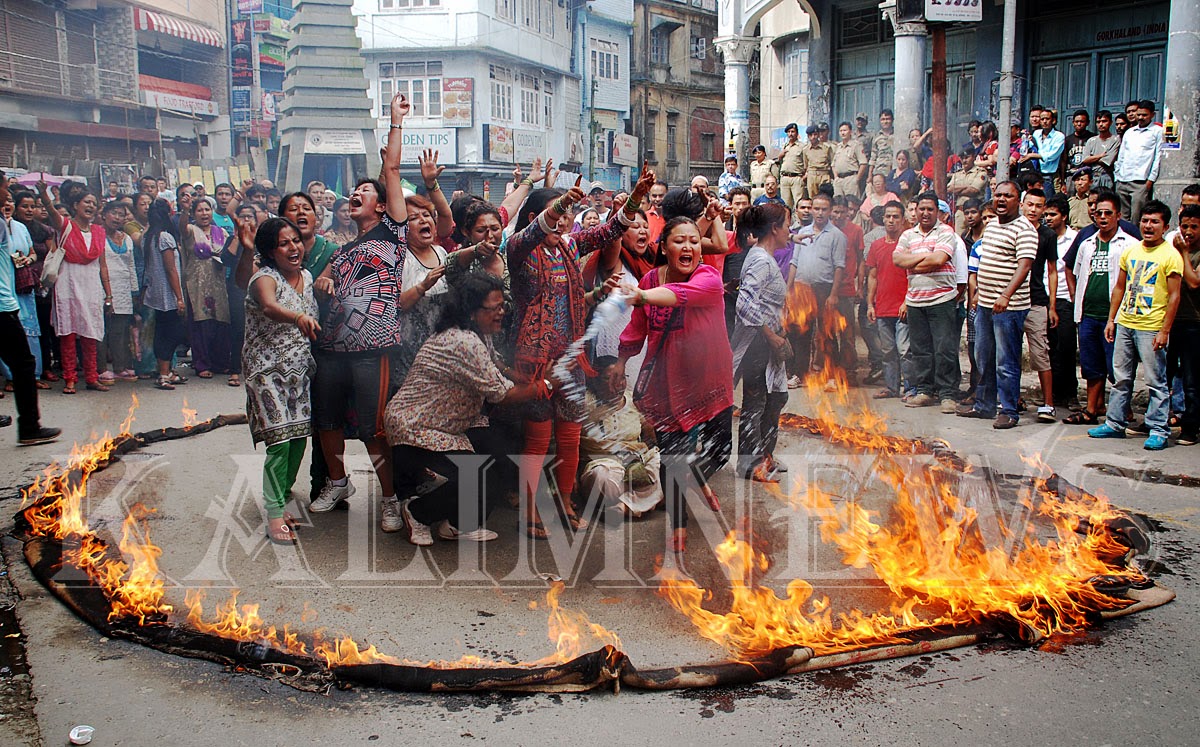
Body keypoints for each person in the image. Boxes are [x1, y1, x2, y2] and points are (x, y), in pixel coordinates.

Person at [506, 167, 655, 539]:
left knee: (570, 436)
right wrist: (558, 204)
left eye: (569, 216)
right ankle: (531, 511)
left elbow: (608, 231)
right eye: (560, 215)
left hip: (571, 359)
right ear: (535, 218)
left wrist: (635, 198)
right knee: (538, 440)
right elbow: (531, 235)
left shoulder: (571, 246)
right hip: (535, 363)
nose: (566, 222)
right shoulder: (520, 250)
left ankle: (565, 502)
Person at [385, 273, 555, 545]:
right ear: (473, 311)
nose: (501, 313)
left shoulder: (479, 335)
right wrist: (545, 384)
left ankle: (457, 524)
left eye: (503, 306)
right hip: (416, 427)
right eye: (494, 308)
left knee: (502, 455)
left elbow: (498, 368)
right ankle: (417, 512)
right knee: (474, 473)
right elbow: (502, 393)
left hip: (451, 425)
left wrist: (531, 378)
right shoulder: (463, 341)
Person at [307, 93, 411, 527]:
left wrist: (395, 123)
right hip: (332, 348)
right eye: (354, 192)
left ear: (383, 206)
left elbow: (390, 171)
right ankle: (337, 480)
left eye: (365, 192)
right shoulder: (343, 248)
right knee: (326, 418)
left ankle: (389, 498)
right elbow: (319, 280)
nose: (356, 194)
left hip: (373, 350)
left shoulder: (392, 235)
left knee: (373, 427)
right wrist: (325, 279)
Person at [616, 216, 733, 555]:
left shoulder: (708, 278)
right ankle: (677, 524)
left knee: (720, 450)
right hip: (668, 383)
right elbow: (638, 328)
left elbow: (680, 294)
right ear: (664, 247)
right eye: (679, 241)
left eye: (694, 241)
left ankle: (696, 478)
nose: (688, 247)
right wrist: (622, 361)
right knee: (672, 459)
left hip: (710, 379)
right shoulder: (650, 279)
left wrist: (643, 296)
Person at [242, 217, 319, 544]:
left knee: (299, 436)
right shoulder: (264, 278)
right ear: (271, 251)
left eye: (296, 241)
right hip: (266, 371)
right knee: (280, 440)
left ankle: (282, 496)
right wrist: (298, 317)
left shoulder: (308, 276)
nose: (293, 248)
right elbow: (271, 308)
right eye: (284, 243)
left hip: (300, 370)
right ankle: (274, 515)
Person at [1089, 201, 1182, 450]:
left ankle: (1159, 429)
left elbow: (1175, 296)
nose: (1148, 226)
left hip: (1151, 326)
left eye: (1154, 222)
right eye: (1145, 221)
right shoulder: (1131, 251)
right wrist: (1112, 319)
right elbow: (1120, 287)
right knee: (1120, 378)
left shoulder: (1170, 255)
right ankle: (1115, 423)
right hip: (1126, 323)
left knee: (1155, 381)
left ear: (1165, 226)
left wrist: (1164, 330)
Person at [958, 181, 1039, 428]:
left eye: (1008, 196)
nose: (1001, 199)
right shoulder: (991, 226)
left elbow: (1024, 266)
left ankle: (1009, 411)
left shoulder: (1025, 229)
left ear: (1019, 201)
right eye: (998, 195)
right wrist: (979, 292)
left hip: (1010, 308)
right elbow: (986, 262)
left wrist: (1005, 295)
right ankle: (984, 406)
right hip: (984, 304)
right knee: (983, 357)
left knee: (1006, 361)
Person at [1062, 192, 1139, 425]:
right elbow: (1072, 270)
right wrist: (1076, 298)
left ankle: (1122, 410)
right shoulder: (1087, 243)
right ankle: (1091, 409)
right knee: (1091, 364)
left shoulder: (1130, 245)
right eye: (1099, 213)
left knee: (1117, 365)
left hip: (1115, 316)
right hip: (1088, 315)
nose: (1103, 217)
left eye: (1108, 213)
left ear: (1118, 215)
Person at [731, 203, 791, 482]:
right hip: (758, 344)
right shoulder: (760, 260)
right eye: (787, 225)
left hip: (768, 345)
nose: (790, 231)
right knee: (756, 403)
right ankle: (750, 465)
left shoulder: (764, 257)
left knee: (777, 398)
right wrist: (771, 335)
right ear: (775, 229)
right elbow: (745, 304)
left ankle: (765, 456)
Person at [0, 175, 59, 445]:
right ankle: (29, 428)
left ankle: (30, 427)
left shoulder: (7, 225)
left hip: (7, 302)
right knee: (24, 363)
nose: (6, 195)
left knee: (23, 363)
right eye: (4, 189)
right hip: (2, 306)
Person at [892, 192, 960, 412]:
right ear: (916, 210)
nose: (925, 213)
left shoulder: (946, 231)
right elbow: (897, 259)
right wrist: (926, 259)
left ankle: (948, 394)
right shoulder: (907, 235)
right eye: (921, 209)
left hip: (942, 299)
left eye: (930, 209)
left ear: (937, 211)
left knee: (944, 349)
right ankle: (924, 391)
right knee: (921, 350)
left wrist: (911, 263)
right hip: (915, 301)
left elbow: (940, 259)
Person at [42, 182, 111, 393]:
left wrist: (108, 293)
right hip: (68, 284)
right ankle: (70, 378)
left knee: (90, 333)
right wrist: (44, 195)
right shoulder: (65, 226)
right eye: (86, 202)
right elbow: (51, 212)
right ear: (75, 205)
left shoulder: (99, 231)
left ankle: (91, 377)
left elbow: (102, 264)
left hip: (91, 285)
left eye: (94, 203)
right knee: (69, 333)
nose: (90, 206)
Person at [578, 356, 662, 520]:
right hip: (603, 463)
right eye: (609, 379)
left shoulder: (634, 401)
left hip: (636, 461)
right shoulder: (583, 402)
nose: (617, 384)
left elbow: (650, 437)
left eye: (622, 377)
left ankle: (623, 507)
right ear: (595, 382)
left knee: (666, 466)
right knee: (602, 478)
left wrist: (640, 460)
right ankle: (649, 499)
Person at [786, 192, 846, 388]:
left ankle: (831, 376)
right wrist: (789, 290)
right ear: (811, 210)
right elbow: (794, 262)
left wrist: (834, 294)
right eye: (816, 208)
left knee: (826, 332)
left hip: (824, 288)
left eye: (824, 209)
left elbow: (839, 266)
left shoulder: (837, 236)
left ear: (830, 211)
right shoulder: (802, 232)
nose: (819, 213)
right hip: (801, 289)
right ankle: (799, 374)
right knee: (800, 333)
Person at [1019, 189, 1060, 422]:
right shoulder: (1013, 229)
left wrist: (1052, 306)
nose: (1033, 210)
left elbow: (1052, 271)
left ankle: (1048, 403)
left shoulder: (1047, 235)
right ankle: (1013, 399)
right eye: (1030, 204)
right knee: (1010, 354)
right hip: (1013, 301)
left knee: (1041, 353)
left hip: (1036, 301)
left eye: (1039, 206)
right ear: (1023, 205)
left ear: (1044, 209)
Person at [179, 197, 231, 379]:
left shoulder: (221, 232)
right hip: (197, 283)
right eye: (199, 210)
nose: (204, 214)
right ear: (194, 214)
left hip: (218, 282)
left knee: (220, 323)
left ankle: (220, 362)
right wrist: (184, 210)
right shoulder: (191, 231)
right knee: (201, 324)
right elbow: (182, 228)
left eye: (207, 210)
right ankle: (202, 363)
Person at [866, 201, 909, 399]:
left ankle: (911, 389)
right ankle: (892, 388)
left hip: (903, 307)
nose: (891, 221)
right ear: (882, 219)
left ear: (903, 220)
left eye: (896, 217)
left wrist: (907, 302)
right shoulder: (876, 245)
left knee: (905, 350)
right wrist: (870, 304)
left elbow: (914, 276)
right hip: (882, 306)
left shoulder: (908, 244)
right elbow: (872, 276)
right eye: (888, 216)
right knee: (888, 351)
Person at [1043, 195, 1079, 411]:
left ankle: (1070, 394)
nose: (1048, 218)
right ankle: (1054, 394)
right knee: (1049, 349)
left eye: (1053, 214)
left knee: (1066, 347)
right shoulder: (1043, 237)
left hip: (1065, 298)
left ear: (1064, 216)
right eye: (1046, 214)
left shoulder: (1074, 239)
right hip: (1044, 298)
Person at [99, 201, 138, 382]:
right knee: (102, 329)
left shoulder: (127, 238)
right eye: (114, 213)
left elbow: (131, 265)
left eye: (121, 214)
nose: (117, 218)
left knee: (120, 330)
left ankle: (120, 366)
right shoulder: (97, 235)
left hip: (123, 287)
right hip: (102, 286)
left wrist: (134, 289)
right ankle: (100, 368)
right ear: (104, 214)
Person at [1171, 205, 1200, 445]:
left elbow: (1193, 282)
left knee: (1191, 379)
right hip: (1172, 320)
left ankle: (1191, 426)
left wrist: (1182, 253)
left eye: (1194, 227)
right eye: (1184, 227)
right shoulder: (1174, 249)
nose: (1188, 232)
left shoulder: (1189, 252)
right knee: (1164, 374)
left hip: (1194, 322)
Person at [1114, 100, 1164, 221]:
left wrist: (1150, 180)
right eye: (1139, 114)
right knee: (1121, 218)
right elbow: (1121, 156)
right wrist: (1117, 176)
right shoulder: (1129, 132)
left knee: (1137, 217)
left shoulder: (1157, 132)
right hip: (1123, 180)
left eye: (1144, 115)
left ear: (1152, 115)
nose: (1141, 117)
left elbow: (1158, 156)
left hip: (1140, 182)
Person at [1081, 110, 1120, 191]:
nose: (1101, 124)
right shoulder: (1091, 140)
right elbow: (1085, 160)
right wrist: (1100, 155)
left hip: (1107, 176)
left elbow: (1108, 161)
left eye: (1104, 121)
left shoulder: (1115, 140)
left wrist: (1092, 158)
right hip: (1093, 176)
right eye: (1098, 122)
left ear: (1110, 122)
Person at [1059, 110, 1096, 188]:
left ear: (1087, 123)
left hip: (1087, 177)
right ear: (1073, 122)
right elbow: (1063, 161)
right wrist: (1062, 182)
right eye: (1076, 121)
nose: (1079, 124)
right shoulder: (1068, 140)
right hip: (1071, 176)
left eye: (1082, 121)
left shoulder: (1093, 138)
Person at [832, 122, 868, 198]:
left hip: (851, 179)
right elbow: (833, 164)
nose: (843, 133)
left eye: (845, 130)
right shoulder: (838, 146)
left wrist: (857, 179)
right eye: (841, 131)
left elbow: (863, 163)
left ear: (850, 131)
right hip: (839, 180)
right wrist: (836, 178)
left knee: (851, 204)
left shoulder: (856, 145)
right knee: (838, 203)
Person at [801, 124, 835, 200]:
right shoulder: (805, 150)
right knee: (812, 199)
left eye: (815, 134)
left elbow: (832, 163)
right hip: (812, 176)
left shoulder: (827, 148)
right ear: (808, 136)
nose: (813, 137)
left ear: (819, 135)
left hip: (824, 175)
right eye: (810, 135)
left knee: (825, 198)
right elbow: (806, 165)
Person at [776, 123, 805, 209]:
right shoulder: (785, 146)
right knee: (785, 204)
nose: (790, 134)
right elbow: (780, 162)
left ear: (797, 133)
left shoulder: (802, 146)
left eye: (793, 131)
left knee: (798, 203)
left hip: (797, 177)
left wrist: (804, 176)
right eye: (788, 132)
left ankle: (798, 222)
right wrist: (780, 155)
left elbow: (807, 162)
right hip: (785, 178)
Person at [869, 109, 896, 178]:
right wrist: (870, 175)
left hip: (894, 171)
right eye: (883, 119)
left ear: (892, 120)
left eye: (888, 119)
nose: (885, 122)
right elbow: (873, 157)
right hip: (879, 171)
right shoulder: (876, 137)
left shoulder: (897, 135)